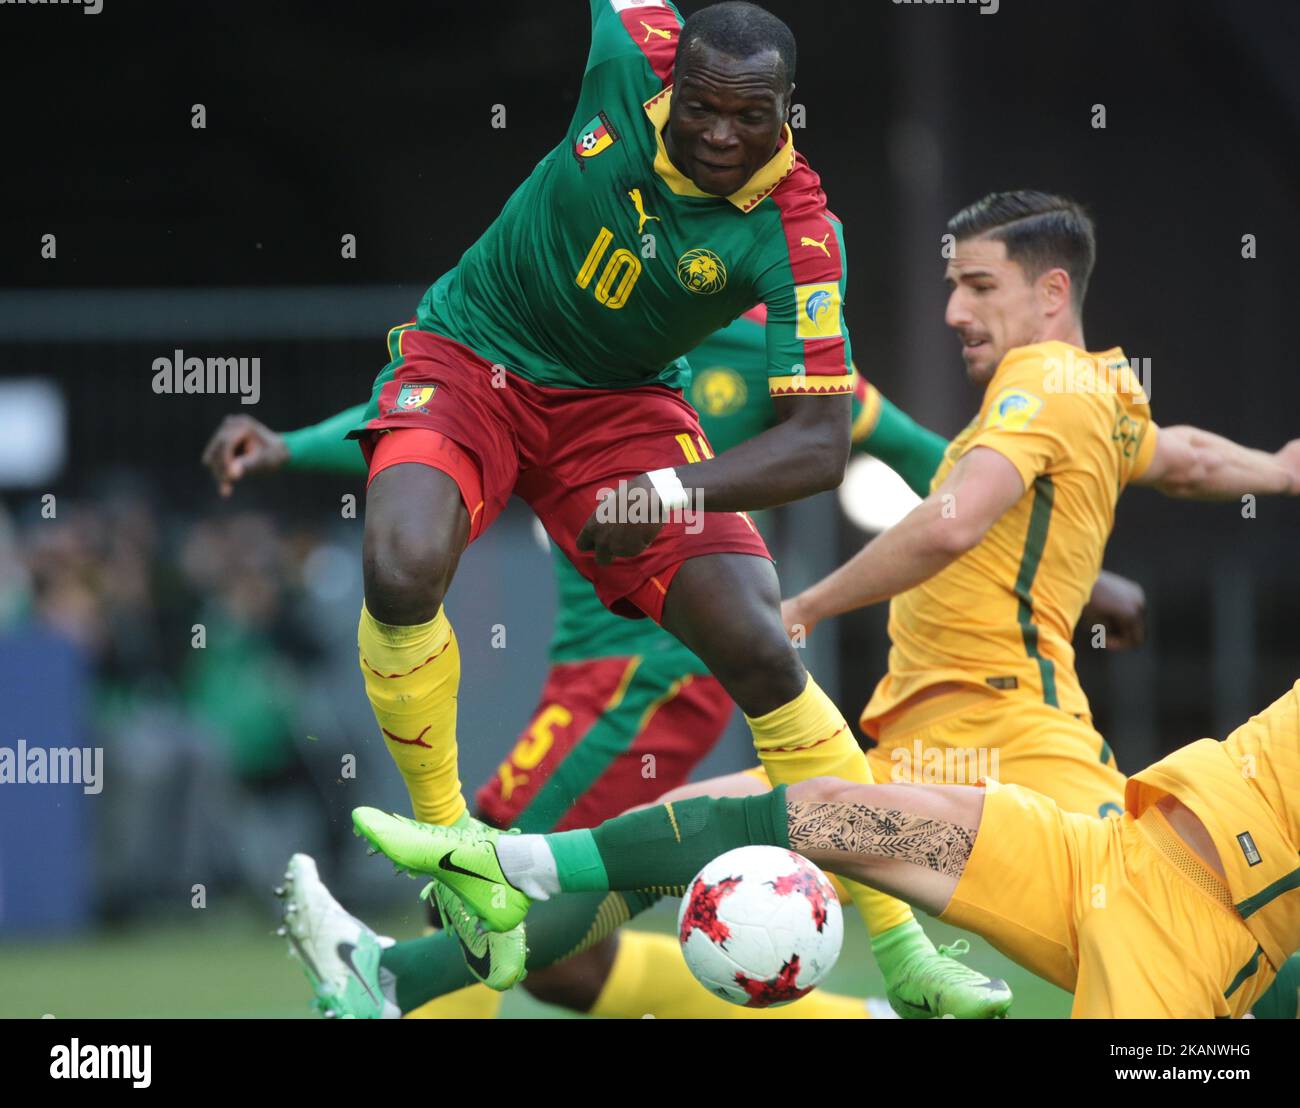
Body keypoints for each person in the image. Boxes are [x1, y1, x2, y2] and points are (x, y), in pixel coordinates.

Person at [354, 678, 1300, 1018]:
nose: (959, 308)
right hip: (1106, 853)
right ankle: (517, 865)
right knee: (826, 812)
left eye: (979, 287)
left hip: (1185, 943)